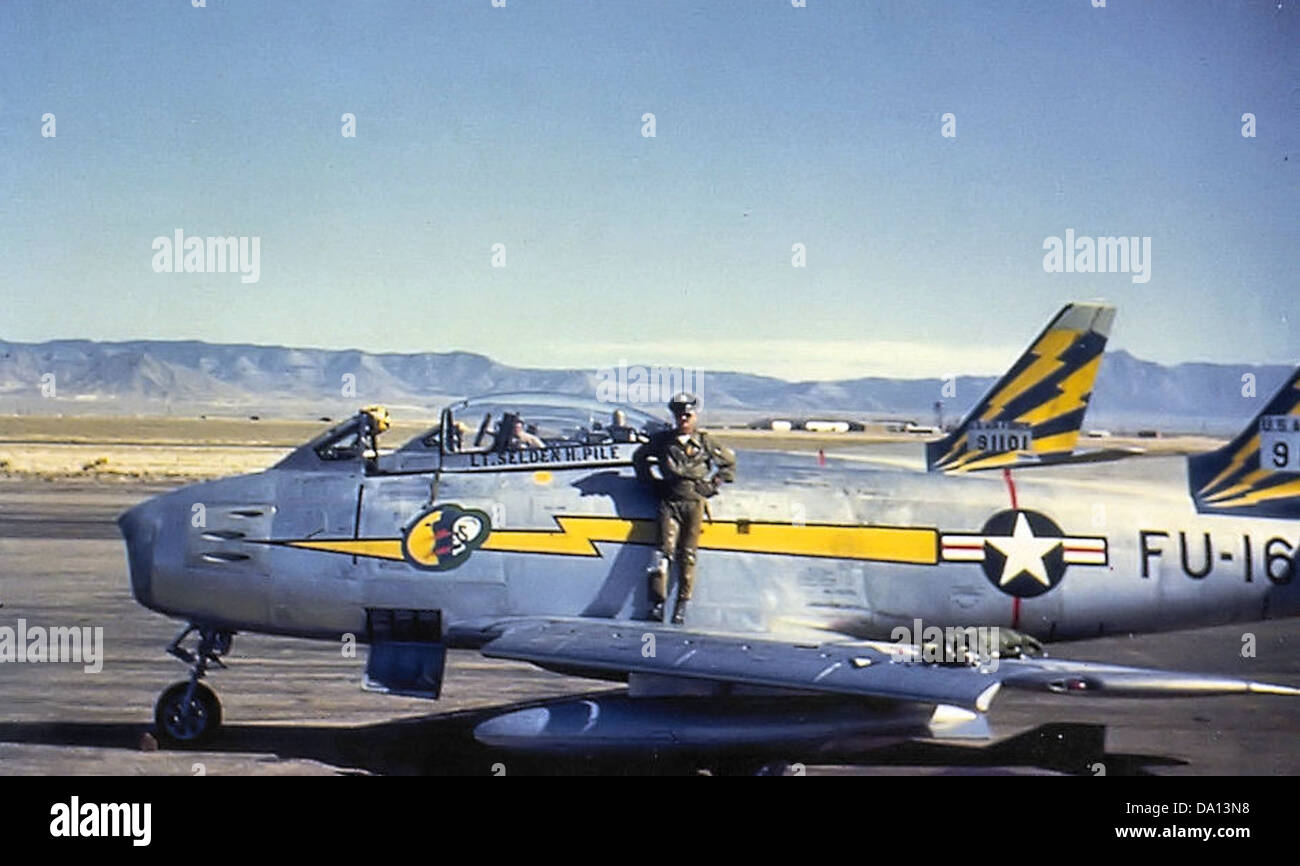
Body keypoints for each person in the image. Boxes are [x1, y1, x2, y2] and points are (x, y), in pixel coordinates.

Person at [632, 392, 736, 624]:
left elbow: (728, 464)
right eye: (679, 415)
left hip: (694, 501)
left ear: (695, 415)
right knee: (662, 553)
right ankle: (657, 603)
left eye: (687, 415)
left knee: (688, 555)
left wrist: (712, 485)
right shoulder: (662, 441)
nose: (683, 420)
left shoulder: (706, 442)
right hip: (669, 500)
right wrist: (651, 482)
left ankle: (681, 606)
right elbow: (639, 458)